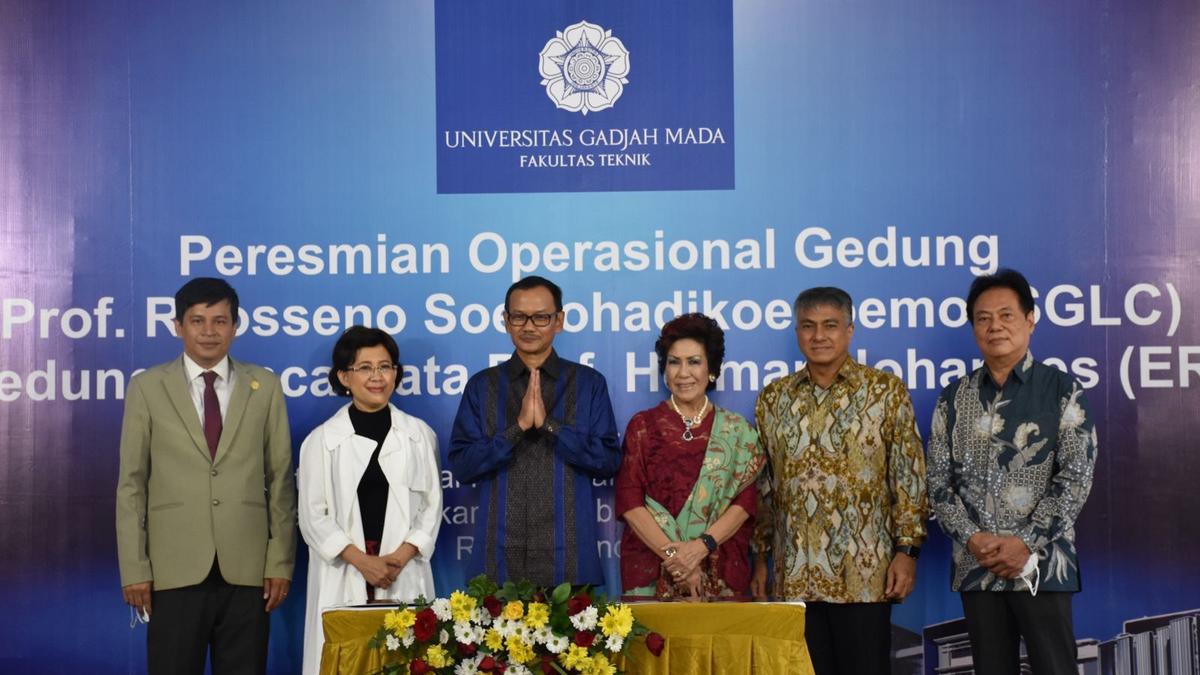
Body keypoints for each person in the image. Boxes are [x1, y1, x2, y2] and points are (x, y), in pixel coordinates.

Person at [116, 278, 296, 675]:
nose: (209, 331)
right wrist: (135, 568)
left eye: (220, 320)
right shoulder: (146, 388)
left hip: (248, 572)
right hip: (172, 570)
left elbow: (281, 480)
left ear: (236, 325)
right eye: (198, 321)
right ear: (178, 326)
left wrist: (279, 562)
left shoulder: (264, 386)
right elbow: (131, 485)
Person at [750, 286, 928, 675]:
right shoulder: (773, 399)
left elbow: (909, 479)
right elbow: (764, 487)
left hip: (864, 578)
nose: (819, 336)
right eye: (808, 326)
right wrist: (760, 558)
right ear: (797, 332)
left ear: (850, 329)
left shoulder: (885, 392)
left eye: (830, 325)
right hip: (793, 576)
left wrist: (907, 551)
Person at [927, 269, 1096, 675]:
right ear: (973, 328)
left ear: (1030, 319)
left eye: (1006, 315)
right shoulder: (954, 398)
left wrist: (1025, 542)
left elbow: (1075, 478)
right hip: (977, 568)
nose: (995, 326)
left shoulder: (1062, 390)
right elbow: (936, 482)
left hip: (1043, 567)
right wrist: (973, 538)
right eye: (983, 318)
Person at [449, 275, 621, 588]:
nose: (529, 326)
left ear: (559, 321)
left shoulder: (588, 384)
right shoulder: (482, 386)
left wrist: (550, 427)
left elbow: (608, 460)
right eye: (519, 316)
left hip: (569, 562)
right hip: (498, 563)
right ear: (505, 321)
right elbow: (462, 467)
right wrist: (516, 430)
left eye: (541, 317)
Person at [297, 326, 442, 675]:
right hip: (345, 571)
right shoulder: (321, 441)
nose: (377, 377)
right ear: (344, 376)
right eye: (365, 368)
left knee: (408, 661)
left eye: (385, 366)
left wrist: (399, 557)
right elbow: (313, 518)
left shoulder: (419, 435)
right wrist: (362, 561)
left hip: (402, 570)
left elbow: (431, 506)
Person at [616, 313, 765, 599]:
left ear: (711, 370)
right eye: (674, 362)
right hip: (651, 567)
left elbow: (744, 504)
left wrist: (699, 549)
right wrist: (677, 559)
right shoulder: (642, 426)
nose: (683, 373)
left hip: (719, 567)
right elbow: (629, 500)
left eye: (694, 362)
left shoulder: (738, 431)